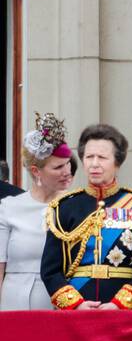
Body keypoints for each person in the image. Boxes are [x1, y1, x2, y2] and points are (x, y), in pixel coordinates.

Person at [41, 124, 132, 310]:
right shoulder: (64, 207)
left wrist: (120, 304)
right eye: (89, 157)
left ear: (117, 163)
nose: (94, 164)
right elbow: (50, 270)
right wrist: (75, 305)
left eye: (102, 157)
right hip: (77, 309)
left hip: (122, 309)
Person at [0, 115, 76, 310]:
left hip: (66, 303)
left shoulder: (77, 205)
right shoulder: (9, 208)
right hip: (15, 305)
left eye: (68, 164)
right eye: (58, 167)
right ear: (36, 171)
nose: (67, 171)